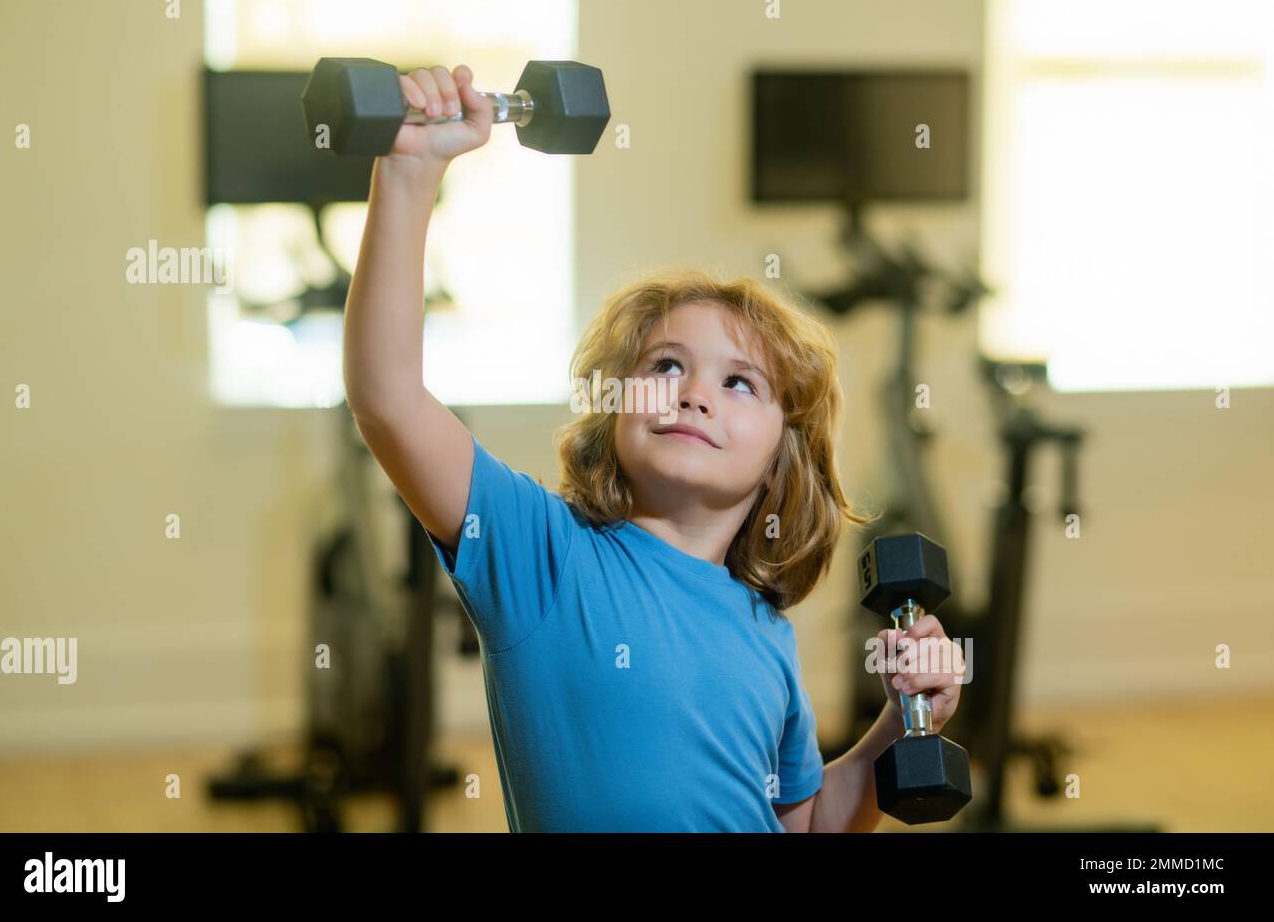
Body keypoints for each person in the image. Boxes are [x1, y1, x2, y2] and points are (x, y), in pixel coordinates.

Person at [342, 64, 964, 832]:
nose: (693, 391)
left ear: (781, 459)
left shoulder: (765, 630)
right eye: (665, 365)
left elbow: (807, 825)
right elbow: (388, 399)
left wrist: (900, 723)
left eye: (740, 383)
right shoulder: (543, 556)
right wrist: (408, 175)